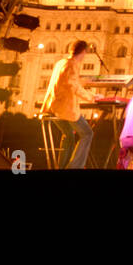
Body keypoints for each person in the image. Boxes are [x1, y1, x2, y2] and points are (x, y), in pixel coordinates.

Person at [41, 40, 96, 169]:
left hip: (52, 106)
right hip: (64, 109)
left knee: (69, 135)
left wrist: (84, 83)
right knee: (87, 133)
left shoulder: (61, 63)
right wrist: (91, 97)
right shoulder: (73, 64)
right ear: (83, 52)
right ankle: (75, 167)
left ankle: (62, 167)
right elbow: (73, 86)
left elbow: (67, 82)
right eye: (85, 53)